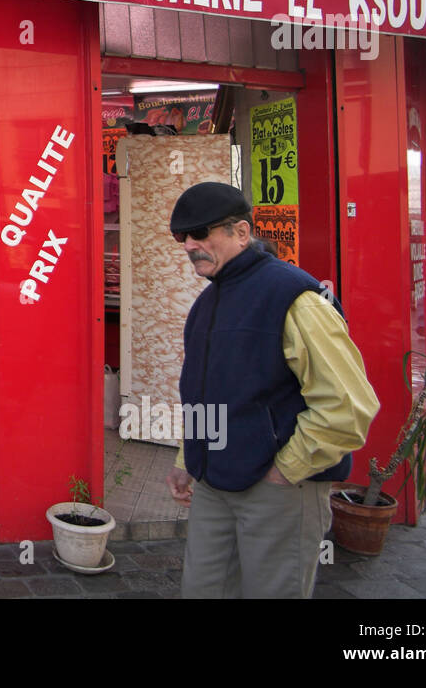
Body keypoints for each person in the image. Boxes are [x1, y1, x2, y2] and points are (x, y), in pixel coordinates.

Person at [164, 182, 379, 598]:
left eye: (201, 233)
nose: (190, 245)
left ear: (241, 233)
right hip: (213, 485)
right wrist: (187, 457)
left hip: (279, 489)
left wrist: (285, 472)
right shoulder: (206, 303)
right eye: (182, 237)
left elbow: (348, 406)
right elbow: (206, 392)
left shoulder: (296, 297)